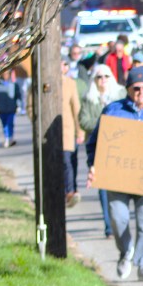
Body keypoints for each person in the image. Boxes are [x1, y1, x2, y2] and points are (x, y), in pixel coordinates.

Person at [86, 66, 143, 282]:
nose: (141, 92)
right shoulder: (113, 110)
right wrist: (93, 165)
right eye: (136, 88)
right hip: (117, 178)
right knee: (119, 219)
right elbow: (94, 143)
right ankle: (126, 251)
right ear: (128, 89)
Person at [79, 64, 127, 238]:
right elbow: (84, 120)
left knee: (120, 186)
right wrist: (103, 127)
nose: (103, 80)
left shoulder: (120, 95)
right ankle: (109, 226)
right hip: (99, 146)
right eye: (99, 77)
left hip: (119, 146)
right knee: (103, 189)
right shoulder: (89, 98)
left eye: (106, 76)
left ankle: (121, 222)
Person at [61, 60, 84, 208]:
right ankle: (66, 191)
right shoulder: (42, 80)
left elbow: (76, 108)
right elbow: (30, 105)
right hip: (48, 133)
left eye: (65, 64)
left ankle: (71, 191)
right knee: (61, 162)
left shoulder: (70, 83)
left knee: (69, 161)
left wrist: (79, 130)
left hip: (67, 130)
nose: (63, 67)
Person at [0, 70, 19, 148]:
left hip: (11, 108)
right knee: (5, 124)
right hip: (1, 110)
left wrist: (18, 105)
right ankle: (7, 138)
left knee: (10, 123)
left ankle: (10, 138)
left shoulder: (13, 85)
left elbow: (18, 96)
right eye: (4, 74)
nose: (6, 76)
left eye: (7, 74)